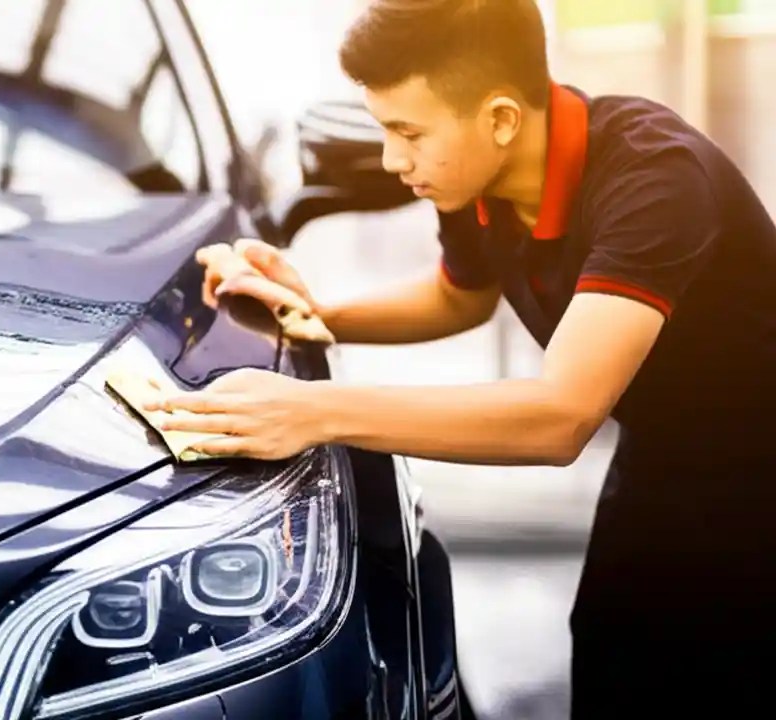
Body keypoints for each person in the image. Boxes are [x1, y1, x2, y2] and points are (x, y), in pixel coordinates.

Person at [145, 0, 776, 715]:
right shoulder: (480, 177)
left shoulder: (656, 180)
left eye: (407, 132)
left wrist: (314, 411)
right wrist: (316, 315)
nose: (392, 160)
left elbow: (559, 418)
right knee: (615, 648)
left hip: (761, 473)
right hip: (664, 455)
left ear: (501, 118)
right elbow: (462, 296)